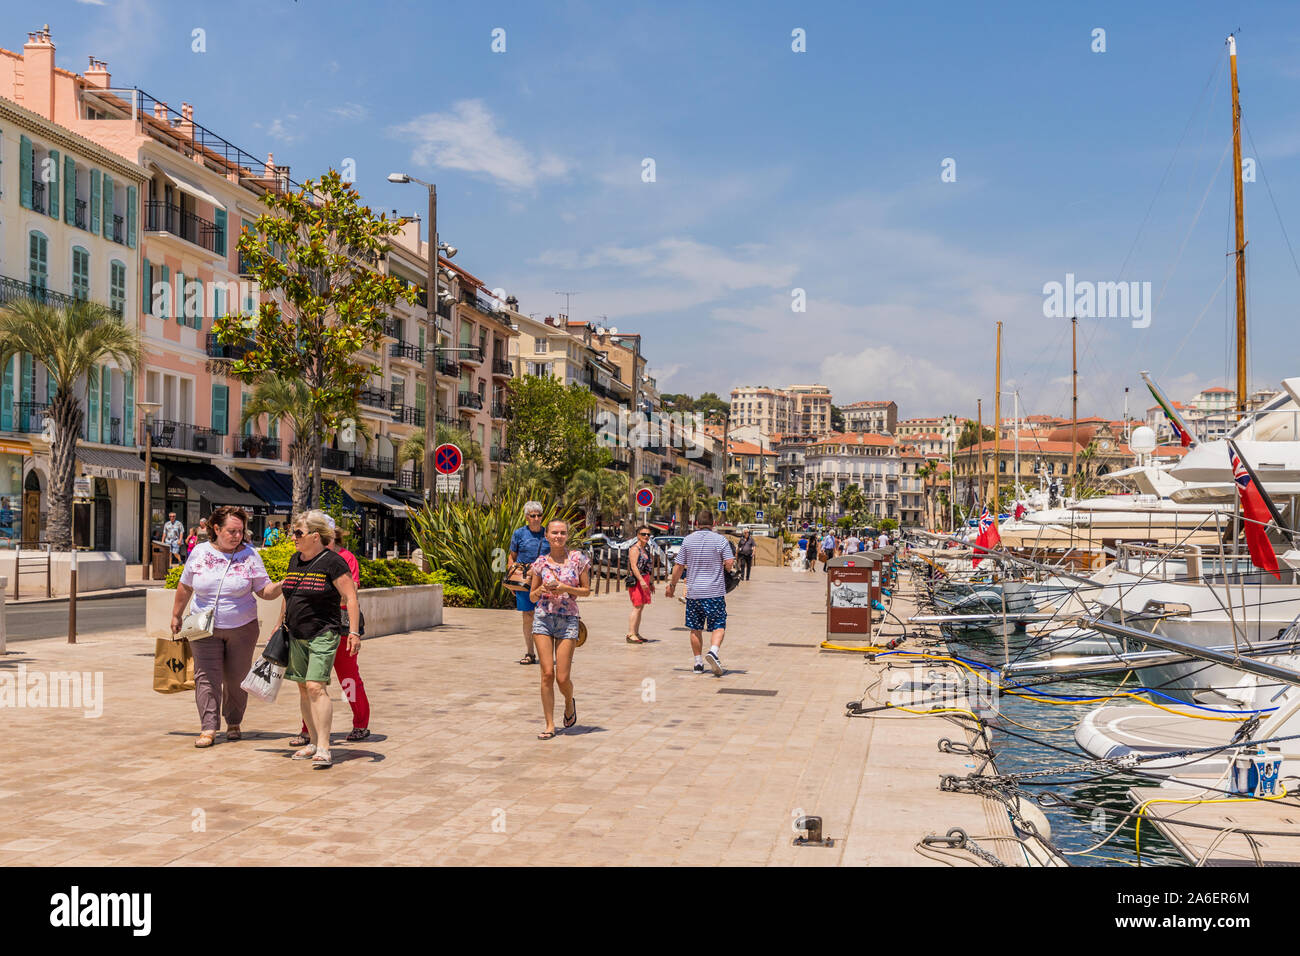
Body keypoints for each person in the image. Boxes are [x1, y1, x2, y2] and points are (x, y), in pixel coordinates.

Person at [170, 507, 279, 748]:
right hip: (202, 626)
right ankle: (208, 727)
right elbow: (185, 586)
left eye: (240, 531)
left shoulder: (251, 555)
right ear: (216, 529)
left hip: (242, 626)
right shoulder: (199, 553)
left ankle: (233, 722)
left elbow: (264, 590)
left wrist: (283, 585)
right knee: (206, 677)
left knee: (236, 679)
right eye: (231, 531)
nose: (237, 536)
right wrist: (176, 615)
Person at [278, 510, 361, 768]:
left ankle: (325, 747)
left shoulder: (333, 562)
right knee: (303, 687)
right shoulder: (295, 560)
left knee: (315, 686)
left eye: (298, 533)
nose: (293, 537)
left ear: (315, 536)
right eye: (293, 532)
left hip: (323, 632)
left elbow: (351, 596)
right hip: (296, 633)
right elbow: (288, 595)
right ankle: (312, 741)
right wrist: (279, 625)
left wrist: (355, 632)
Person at [527, 519, 590, 739]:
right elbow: (532, 596)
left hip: (568, 620)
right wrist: (542, 589)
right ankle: (550, 724)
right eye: (554, 532)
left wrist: (564, 588)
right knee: (547, 674)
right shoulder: (540, 563)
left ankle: (568, 702)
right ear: (547, 536)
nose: (558, 536)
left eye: (562, 532)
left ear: (567, 535)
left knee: (562, 678)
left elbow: (586, 591)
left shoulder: (578, 560)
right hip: (543, 619)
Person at [666, 511, 735, 676]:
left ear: (697, 523)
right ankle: (713, 651)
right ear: (713, 523)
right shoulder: (720, 540)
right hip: (714, 592)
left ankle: (698, 663)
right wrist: (725, 568)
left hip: (694, 593)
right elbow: (729, 563)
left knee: (695, 628)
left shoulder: (688, 540)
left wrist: (672, 585)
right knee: (719, 624)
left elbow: (679, 565)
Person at [509, 502, 550, 665]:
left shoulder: (548, 533)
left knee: (546, 615)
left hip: (545, 580)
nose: (536, 518)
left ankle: (546, 652)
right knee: (527, 616)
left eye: (539, 515)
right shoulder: (519, 534)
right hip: (524, 580)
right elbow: (512, 556)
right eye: (532, 515)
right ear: (527, 517)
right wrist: (513, 581)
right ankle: (530, 652)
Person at [625, 524, 655, 643]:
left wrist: (650, 582)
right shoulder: (635, 549)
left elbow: (648, 567)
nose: (646, 536)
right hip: (637, 580)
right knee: (637, 606)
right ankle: (630, 633)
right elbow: (633, 566)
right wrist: (642, 581)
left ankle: (636, 632)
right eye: (643, 534)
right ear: (638, 535)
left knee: (641, 607)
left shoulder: (645, 548)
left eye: (648, 534)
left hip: (645, 579)